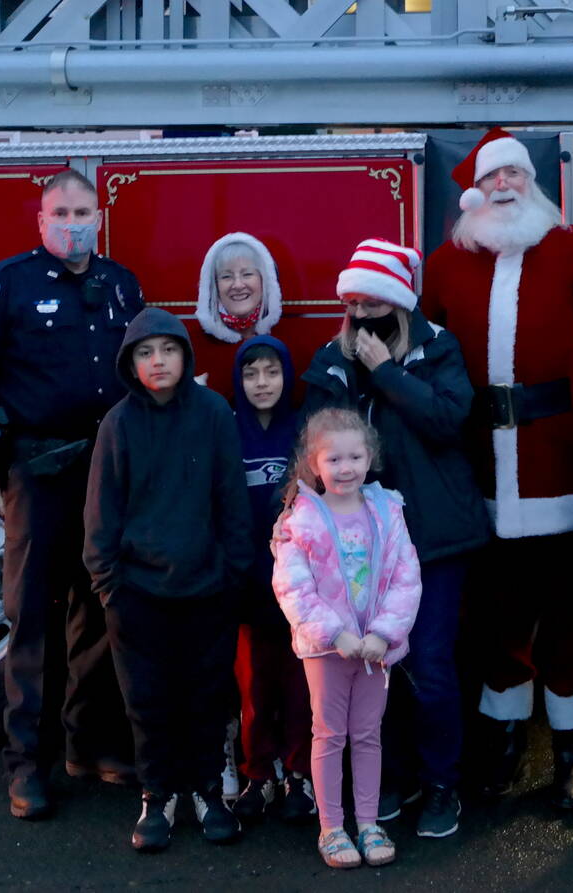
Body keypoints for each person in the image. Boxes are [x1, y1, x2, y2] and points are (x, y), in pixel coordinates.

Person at [420, 127, 573, 805]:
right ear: (476, 190)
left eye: (516, 173)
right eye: (493, 176)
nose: (505, 184)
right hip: (481, 463)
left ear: (532, 182)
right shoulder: (448, 262)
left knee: (570, 610)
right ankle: (505, 742)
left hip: (561, 459)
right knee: (494, 612)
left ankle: (571, 752)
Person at [0, 168, 141, 821]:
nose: (72, 220)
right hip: (38, 469)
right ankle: (26, 764)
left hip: (106, 468)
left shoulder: (121, 284)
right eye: (60, 210)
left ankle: (88, 745)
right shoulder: (8, 282)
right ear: (41, 220)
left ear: (100, 215)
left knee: (98, 605)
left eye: (83, 209)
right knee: (31, 613)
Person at [301, 238, 484, 839]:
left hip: (434, 537)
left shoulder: (438, 349)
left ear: (398, 305)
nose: (359, 313)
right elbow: (317, 445)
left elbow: (447, 421)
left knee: (430, 664)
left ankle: (441, 786)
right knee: (377, 665)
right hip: (361, 543)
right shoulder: (333, 360)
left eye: (371, 302)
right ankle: (391, 778)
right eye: (350, 302)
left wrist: (385, 372)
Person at [83, 308, 252, 853]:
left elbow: (232, 500)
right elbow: (100, 515)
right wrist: (111, 585)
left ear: (186, 356)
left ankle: (207, 790)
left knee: (205, 695)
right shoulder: (118, 425)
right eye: (145, 353)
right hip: (137, 594)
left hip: (207, 588)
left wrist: (232, 574)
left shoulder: (213, 413)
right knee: (147, 701)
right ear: (131, 363)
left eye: (169, 350)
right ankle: (158, 795)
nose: (158, 362)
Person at [273, 408, 424, 869]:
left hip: (374, 651)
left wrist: (383, 634)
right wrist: (334, 633)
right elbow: (293, 586)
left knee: (368, 735)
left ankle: (369, 821)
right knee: (329, 735)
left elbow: (406, 575)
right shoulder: (301, 520)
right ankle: (332, 827)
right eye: (334, 459)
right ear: (313, 464)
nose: (346, 468)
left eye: (355, 456)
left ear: (370, 457)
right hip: (326, 650)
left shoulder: (387, 511)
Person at [228, 333, 317, 825]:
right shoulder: (227, 431)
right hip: (249, 589)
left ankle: (299, 775)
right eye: (251, 373)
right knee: (255, 690)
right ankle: (257, 774)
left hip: (300, 594)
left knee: (300, 689)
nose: (262, 383)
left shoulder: (303, 432)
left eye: (272, 372)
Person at [194, 231, 285, 396]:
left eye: (247, 274)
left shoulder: (285, 342)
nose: (237, 285)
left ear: (265, 280)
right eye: (226, 276)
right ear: (214, 285)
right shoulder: (194, 349)